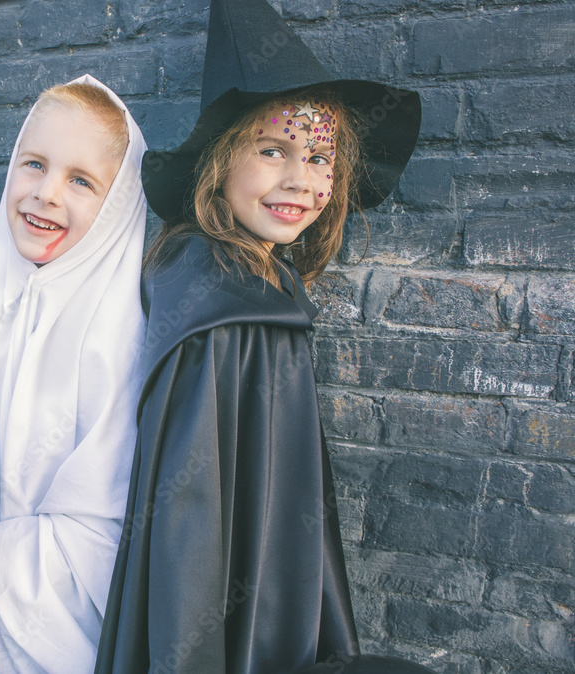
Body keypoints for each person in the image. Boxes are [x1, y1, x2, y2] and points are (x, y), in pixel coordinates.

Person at [95, 0, 422, 672]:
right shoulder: (211, 292)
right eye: (273, 151)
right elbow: (189, 515)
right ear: (220, 161)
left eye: (320, 157)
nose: (301, 180)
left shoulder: (262, 278)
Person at [0, 74, 149, 673]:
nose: (46, 193)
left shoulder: (119, 337)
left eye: (81, 180)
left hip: (61, 640)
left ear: (118, 206)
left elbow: (106, 522)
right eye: (34, 164)